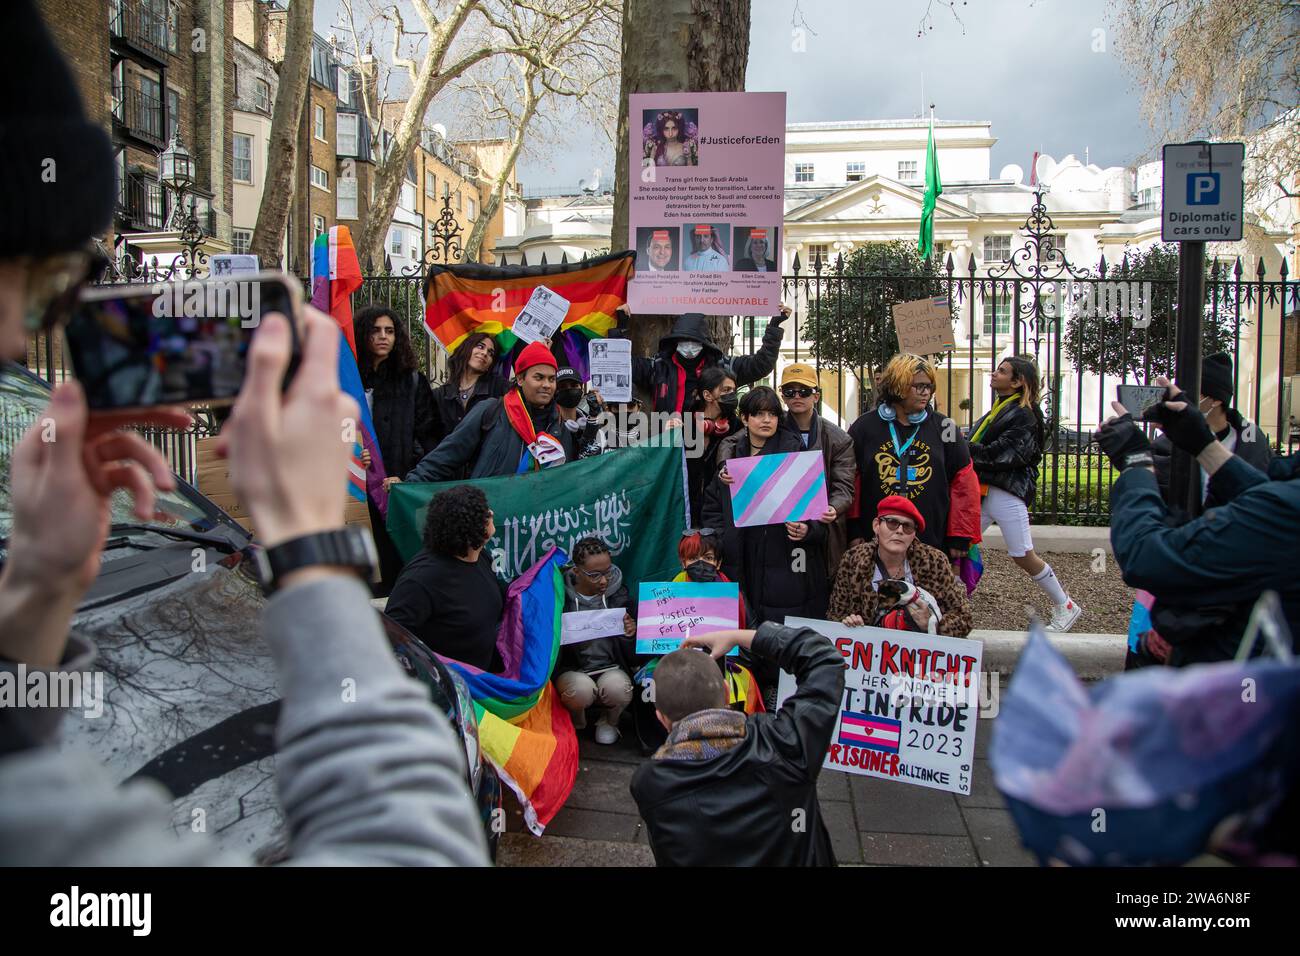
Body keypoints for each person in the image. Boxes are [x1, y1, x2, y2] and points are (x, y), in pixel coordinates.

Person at [1096, 374, 1300, 665]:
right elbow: (1268, 495)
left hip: (1237, 689)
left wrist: (1135, 462)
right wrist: (1203, 443)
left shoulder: (1283, 511)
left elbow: (1148, 557)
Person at [629, 623, 845, 867]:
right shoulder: (785, 744)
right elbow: (824, 658)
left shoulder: (650, 784)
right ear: (727, 690)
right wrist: (737, 636)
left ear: (661, 717)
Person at [703, 386, 829, 696]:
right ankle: (742, 694)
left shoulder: (795, 454)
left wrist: (807, 531)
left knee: (777, 630)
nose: (766, 420)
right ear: (744, 418)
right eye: (758, 414)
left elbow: (817, 516)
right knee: (740, 627)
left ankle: (776, 690)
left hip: (782, 563)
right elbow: (711, 508)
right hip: (738, 559)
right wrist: (721, 541)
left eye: (773, 414)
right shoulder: (729, 454)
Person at [968, 355, 1082, 632]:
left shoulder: (1024, 414)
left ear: (1018, 382)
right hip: (986, 491)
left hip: (1006, 492)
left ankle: (1065, 605)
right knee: (959, 543)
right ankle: (949, 599)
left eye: (1002, 371)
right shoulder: (1000, 410)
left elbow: (1006, 454)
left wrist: (963, 450)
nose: (994, 374)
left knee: (1022, 554)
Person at [846, 353, 981, 558]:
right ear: (897, 386)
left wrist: (960, 535)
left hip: (931, 539)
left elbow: (963, 483)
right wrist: (854, 526)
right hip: (875, 538)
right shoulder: (864, 427)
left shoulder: (944, 427)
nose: (926, 392)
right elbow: (851, 480)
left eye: (929, 387)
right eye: (918, 386)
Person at [353, 306, 439, 593]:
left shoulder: (412, 381)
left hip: (398, 490)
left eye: (389, 331)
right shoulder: (348, 381)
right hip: (356, 490)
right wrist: (350, 453)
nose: (383, 337)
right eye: (375, 331)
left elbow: (429, 438)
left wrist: (410, 477)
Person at [401, 341, 577, 481]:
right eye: (538, 377)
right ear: (521, 379)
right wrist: (410, 485)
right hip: (492, 519)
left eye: (551, 379)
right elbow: (448, 454)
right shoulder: (491, 411)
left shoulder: (559, 426)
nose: (546, 385)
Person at [385, 485, 506, 672]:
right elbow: (391, 640)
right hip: (451, 690)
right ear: (470, 528)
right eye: (484, 512)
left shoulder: (482, 556)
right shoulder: (419, 580)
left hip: (485, 684)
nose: (491, 512)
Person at [828, 497, 973, 637]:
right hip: (871, 653)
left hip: (919, 652)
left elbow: (964, 617)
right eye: (892, 523)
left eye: (907, 526)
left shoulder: (934, 561)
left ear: (914, 534)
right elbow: (835, 614)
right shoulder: (854, 559)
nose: (899, 531)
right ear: (876, 526)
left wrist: (933, 624)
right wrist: (849, 623)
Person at [1152, 351, 1271, 510]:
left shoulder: (1253, 442)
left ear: (1215, 400)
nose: (1181, 400)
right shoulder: (1166, 443)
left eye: (1189, 394)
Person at [626, 304, 788, 414]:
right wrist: (620, 327)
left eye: (694, 341)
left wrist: (774, 327)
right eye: (683, 341)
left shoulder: (723, 367)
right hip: (668, 446)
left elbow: (761, 365)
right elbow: (620, 365)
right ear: (675, 342)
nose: (689, 346)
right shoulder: (658, 367)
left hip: (709, 445)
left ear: (704, 344)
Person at [779, 363, 857, 582]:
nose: (797, 396)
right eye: (789, 391)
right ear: (782, 396)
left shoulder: (839, 438)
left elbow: (844, 485)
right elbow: (734, 440)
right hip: (780, 527)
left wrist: (834, 506)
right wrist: (723, 466)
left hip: (821, 530)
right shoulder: (771, 427)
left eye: (804, 391)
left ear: (816, 395)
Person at [555, 537, 637, 744]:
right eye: (594, 575)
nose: (603, 580)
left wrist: (629, 634)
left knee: (619, 689)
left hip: (611, 666)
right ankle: (576, 722)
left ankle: (609, 721)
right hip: (574, 669)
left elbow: (631, 653)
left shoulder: (618, 594)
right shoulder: (560, 598)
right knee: (579, 691)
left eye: (607, 572)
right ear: (576, 571)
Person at [431, 330, 510, 453]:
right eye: (480, 346)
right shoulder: (439, 395)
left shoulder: (499, 388)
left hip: (484, 468)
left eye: (490, 353)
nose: (484, 353)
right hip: (447, 468)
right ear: (466, 349)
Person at [685, 366, 739, 525]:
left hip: (720, 512)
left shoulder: (737, 428)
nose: (732, 395)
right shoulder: (683, 423)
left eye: (733, 390)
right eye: (726, 390)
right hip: (687, 511)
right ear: (707, 395)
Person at [554, 366, 606, 459]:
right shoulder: (549, 425)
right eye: (562, 387)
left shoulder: (591, 420)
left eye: (574, 385)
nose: (569, 389)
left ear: (582, 390)